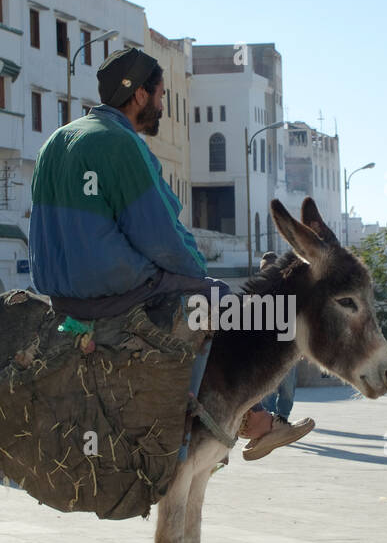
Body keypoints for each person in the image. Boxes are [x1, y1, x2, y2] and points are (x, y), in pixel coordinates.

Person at [28, 47, 308, 458]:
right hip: (114, 288)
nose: (162, 104)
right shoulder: (120, 144)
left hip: (59, 294)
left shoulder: (56, 141)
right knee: (219, 303)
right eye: (160, 95)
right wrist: (200, 275)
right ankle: (247, 422)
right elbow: (161, 236)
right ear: (139, 95)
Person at [248, 252, 315, 460]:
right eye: (264, 270)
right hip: (265, 354)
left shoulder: (289, 295)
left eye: (270, 269)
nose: (267, 273)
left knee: (287, 390)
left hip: (286, 353)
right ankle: (267, 428)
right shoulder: (256, 296)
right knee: (266, 391)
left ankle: (282, 423)